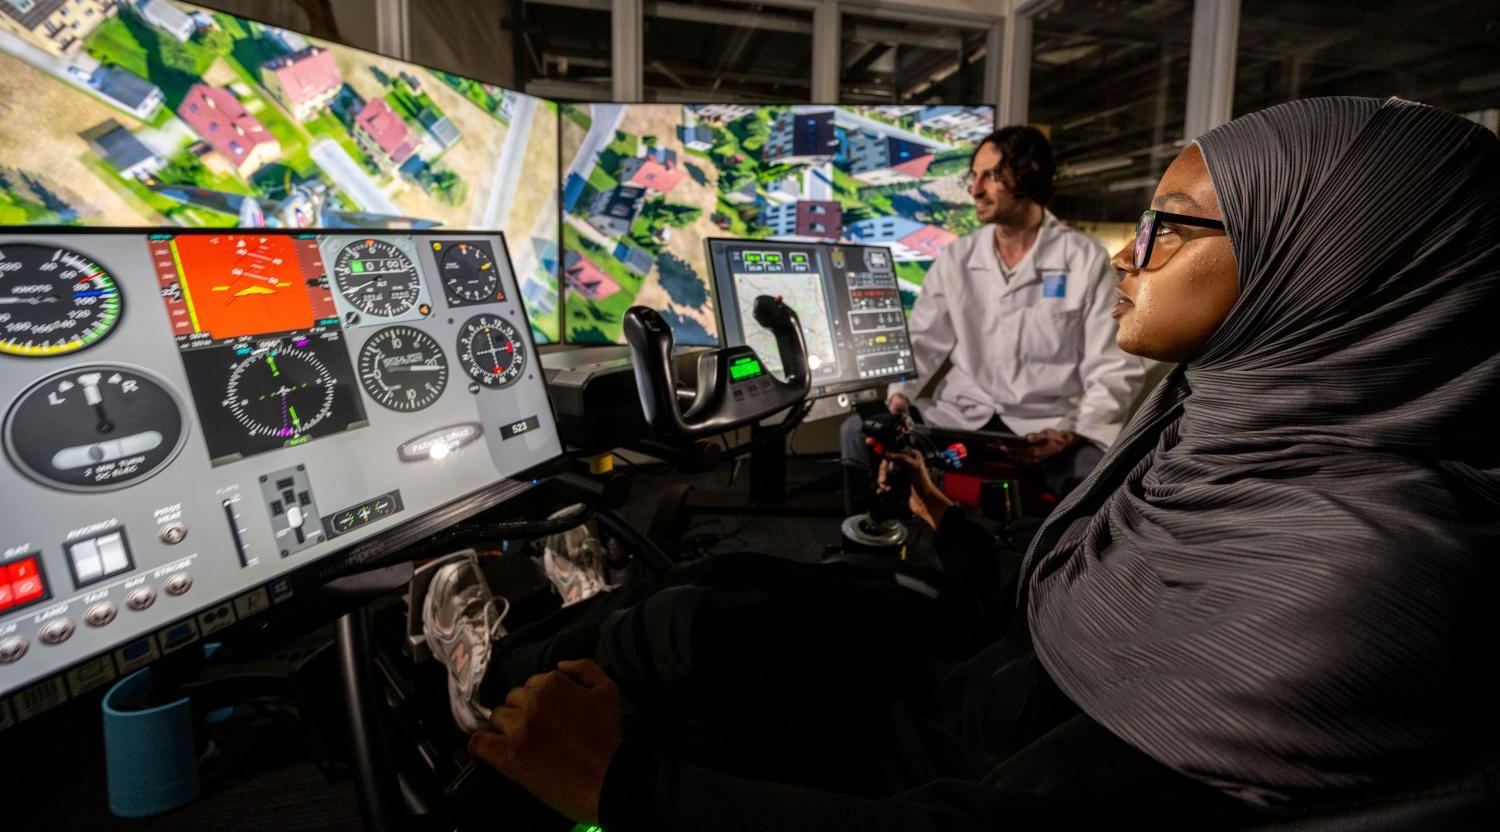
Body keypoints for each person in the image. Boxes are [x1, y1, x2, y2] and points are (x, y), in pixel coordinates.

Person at [445, 97, 1500, 829]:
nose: (1129, 254)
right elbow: (944, 363)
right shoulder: (1223, 433)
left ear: (1326, 267)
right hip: (997, 668)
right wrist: (945, 515)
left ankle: (484, 696)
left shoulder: (1346, 582)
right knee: (727, 578)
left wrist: (620, 787)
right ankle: (508, 665)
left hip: (964, 742)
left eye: (1165, 230)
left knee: (685, 631)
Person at [840, 125, 1144, 505]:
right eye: (974, 176)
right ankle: (875, 539)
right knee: (858, 432)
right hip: (962, 417)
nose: (975, 189)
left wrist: (1073, 432)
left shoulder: (1084, 260)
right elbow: (922, 343)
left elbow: (1114, 365)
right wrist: (900, 397)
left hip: (1047, 426)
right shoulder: (957, 258)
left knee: (1097, 479)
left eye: (991, 176)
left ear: (1029, 178)